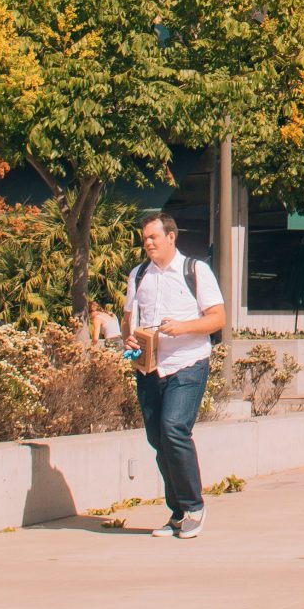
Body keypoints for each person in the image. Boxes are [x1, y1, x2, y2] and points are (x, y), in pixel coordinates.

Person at [122, 212, 226, 540]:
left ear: (171, 237)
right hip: (150, 367)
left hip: (188, 363)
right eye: (145, 239)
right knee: (157, 439)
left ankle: (194, 506)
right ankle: (178, 512)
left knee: (174, 429)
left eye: (154, 237)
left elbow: (217, 319)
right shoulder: (139, 275)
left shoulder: (195, 271)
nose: (148, 243)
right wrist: (128, 336)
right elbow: (129, 317)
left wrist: (183, 327)